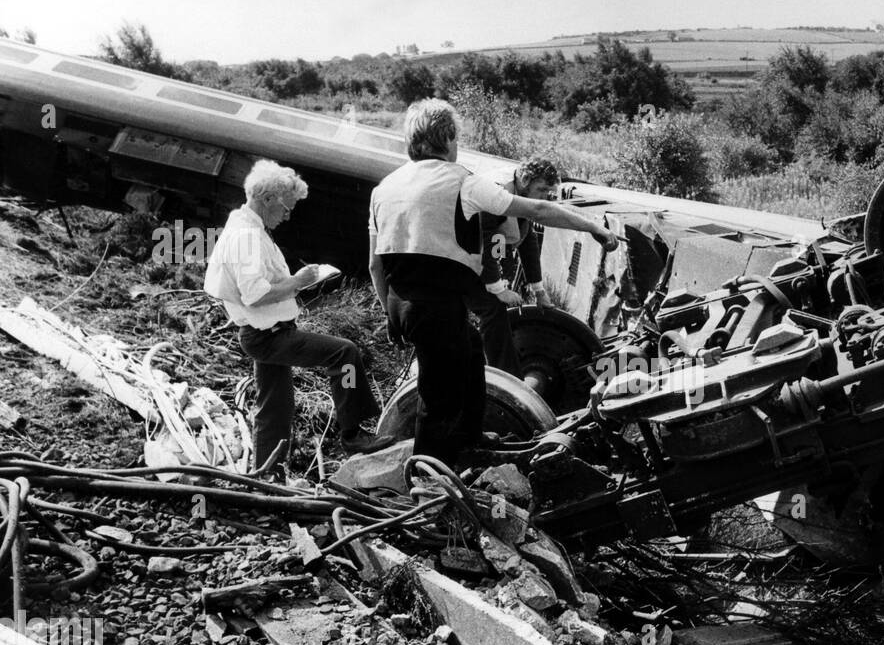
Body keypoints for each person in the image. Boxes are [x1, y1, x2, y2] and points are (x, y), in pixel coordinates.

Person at [368, 98, 618, 464]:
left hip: (402, 300)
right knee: (438, 394)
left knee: (470, 352)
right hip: (436, 303)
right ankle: (427, 474)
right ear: (450, 138)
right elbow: (536, 210)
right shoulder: (462, 182)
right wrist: (593, 226)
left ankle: (469, 438)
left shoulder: (383, 188)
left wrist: (391, 314)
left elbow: (375, 265)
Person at [204, 159, 394, 476]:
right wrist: (299, 281)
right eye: (286, 208)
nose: (288, 216)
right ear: (267, 199)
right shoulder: (247, 237)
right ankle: (352, 434)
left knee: (275, 408)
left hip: (262, 333)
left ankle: (268, 474)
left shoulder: (246, 228)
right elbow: (256, 294)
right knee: (344, 354)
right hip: (268, 336)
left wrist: (294, 282)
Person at [470, 158, 560, 377]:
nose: (543, 197)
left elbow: (527, 240)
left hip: (491, 249)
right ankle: (503, 377)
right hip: (463, 255)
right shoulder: (497, 193)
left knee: (499, 306)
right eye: (540, 189)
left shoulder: (522, 197)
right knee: (492, 310)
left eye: (548, 191)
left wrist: (539, 291)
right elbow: (486, 237)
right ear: (524, 180)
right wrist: (497, 289)